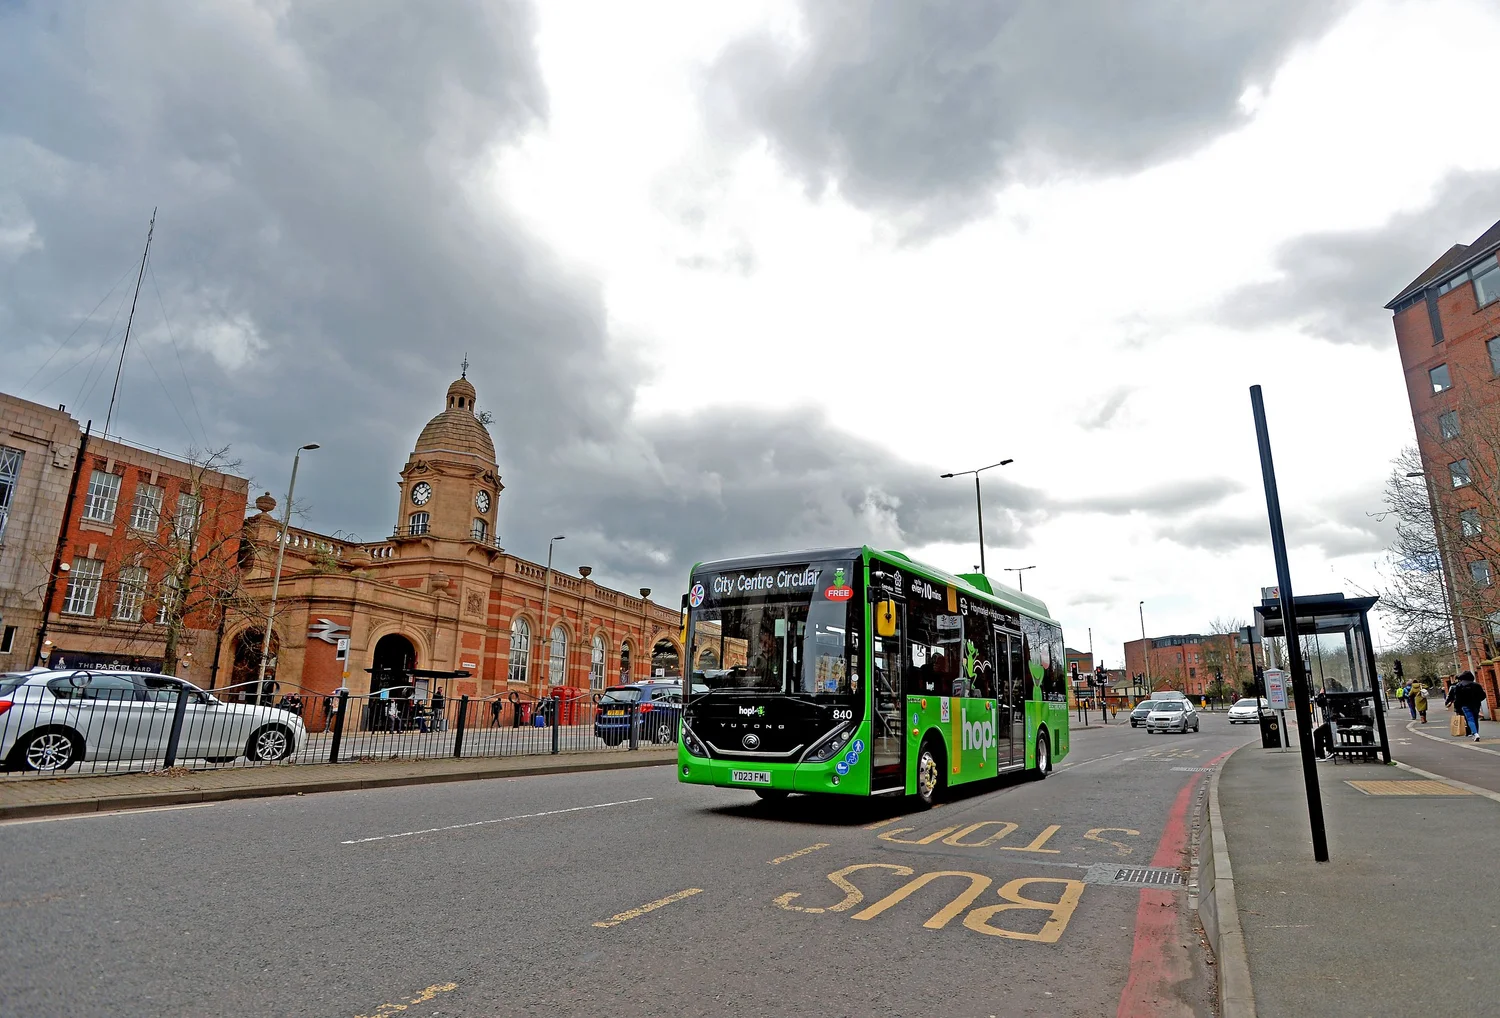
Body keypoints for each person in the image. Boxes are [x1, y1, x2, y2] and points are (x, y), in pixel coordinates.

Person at [1447, 670, 1487, 742]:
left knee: (1470, 719)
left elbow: (1457, 698)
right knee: (1475, 719)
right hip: (1476, 705)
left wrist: (1457, 707)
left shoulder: (1459, 686)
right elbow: (1483, 695)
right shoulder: (1476, 685)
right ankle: (1476, 732)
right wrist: (1478, 700)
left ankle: (1475, 733)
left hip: (1465, 705)